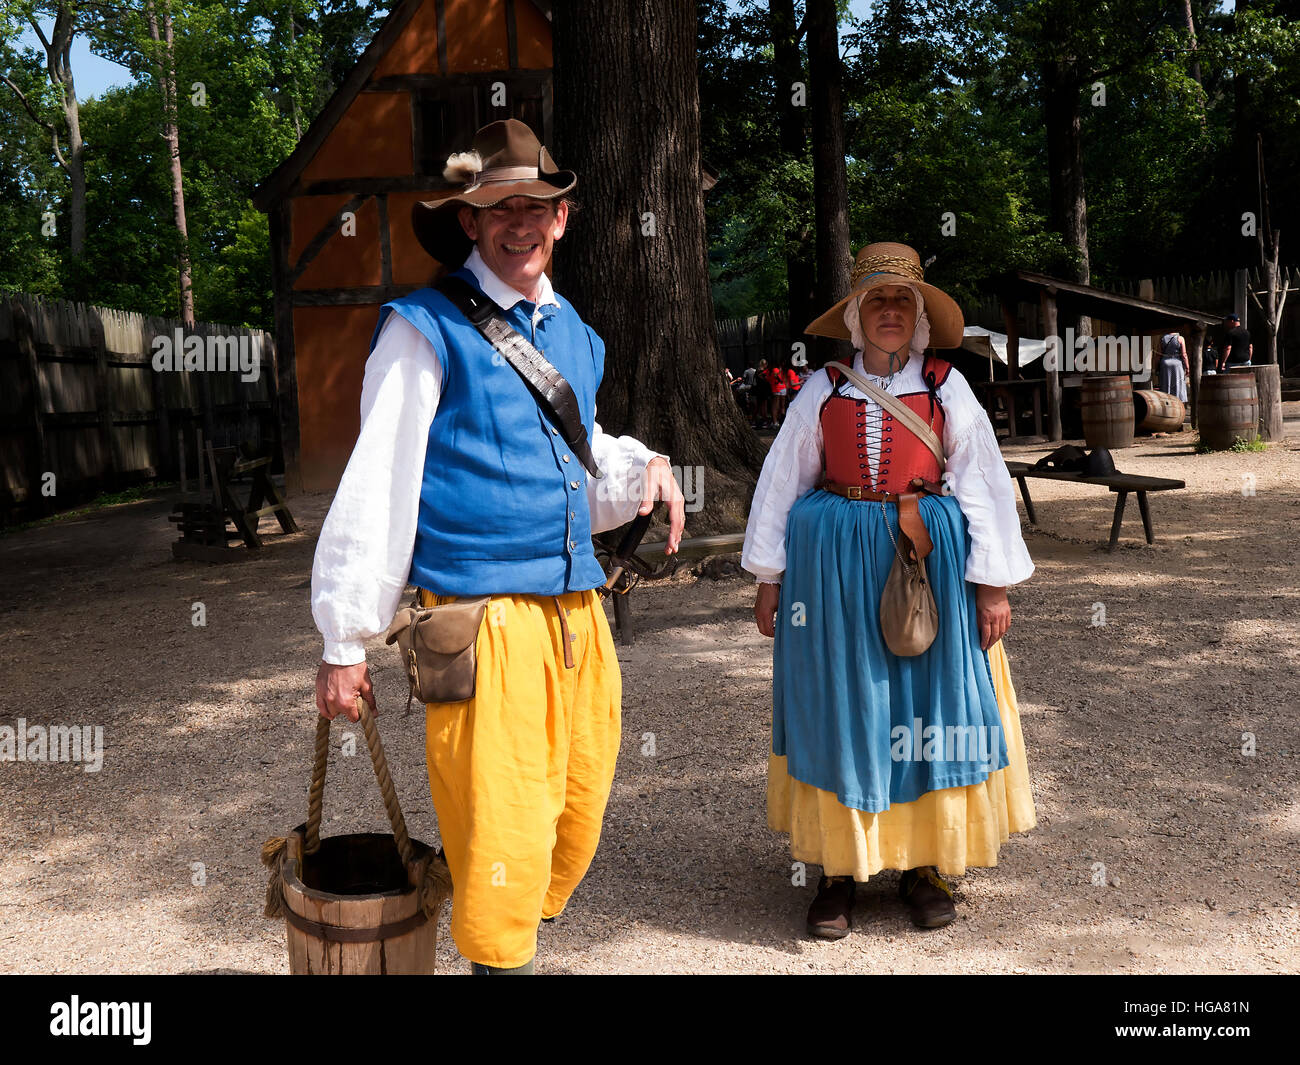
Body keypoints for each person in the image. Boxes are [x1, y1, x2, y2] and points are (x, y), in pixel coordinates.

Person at [311, 119, 686, 974]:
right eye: (500, 207)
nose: (521, 223)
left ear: (565, 219)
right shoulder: (423, 328)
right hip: (482, 625)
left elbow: (577, 458)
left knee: (574, 811)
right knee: (502, 835)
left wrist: (645, 466)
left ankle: (509, 949)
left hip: (579, 619)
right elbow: (381, 482)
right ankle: (497, 963)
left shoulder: (575, 333)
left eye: (539, 207)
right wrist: (344, 638)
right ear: (470, 222)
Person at [742, 242, 1036, 938]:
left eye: (902, 300)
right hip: (833, 571)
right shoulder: (824, 388)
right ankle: (838, 869)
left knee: (928, 707)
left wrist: (991, 586)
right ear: (856, 313)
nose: (890, 312)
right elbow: (784, 480)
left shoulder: (945, 387)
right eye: (878, 300)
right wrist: (769, 577)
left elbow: (983, 483)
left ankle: (924, 866)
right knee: (844, 704)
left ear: (920, 314)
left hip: (923, 565)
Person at [1157, 329, 1189, 403]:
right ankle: (1178, 402)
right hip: (1177, 365)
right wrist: (1187, 367)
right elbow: (1184, 355)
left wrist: (1156, 367)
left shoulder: (1162, 338)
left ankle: (1166, 402)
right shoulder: (1180, 338)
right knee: (1178, 383)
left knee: (1165, 384)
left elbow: (1158, 355)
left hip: (1165, 364)